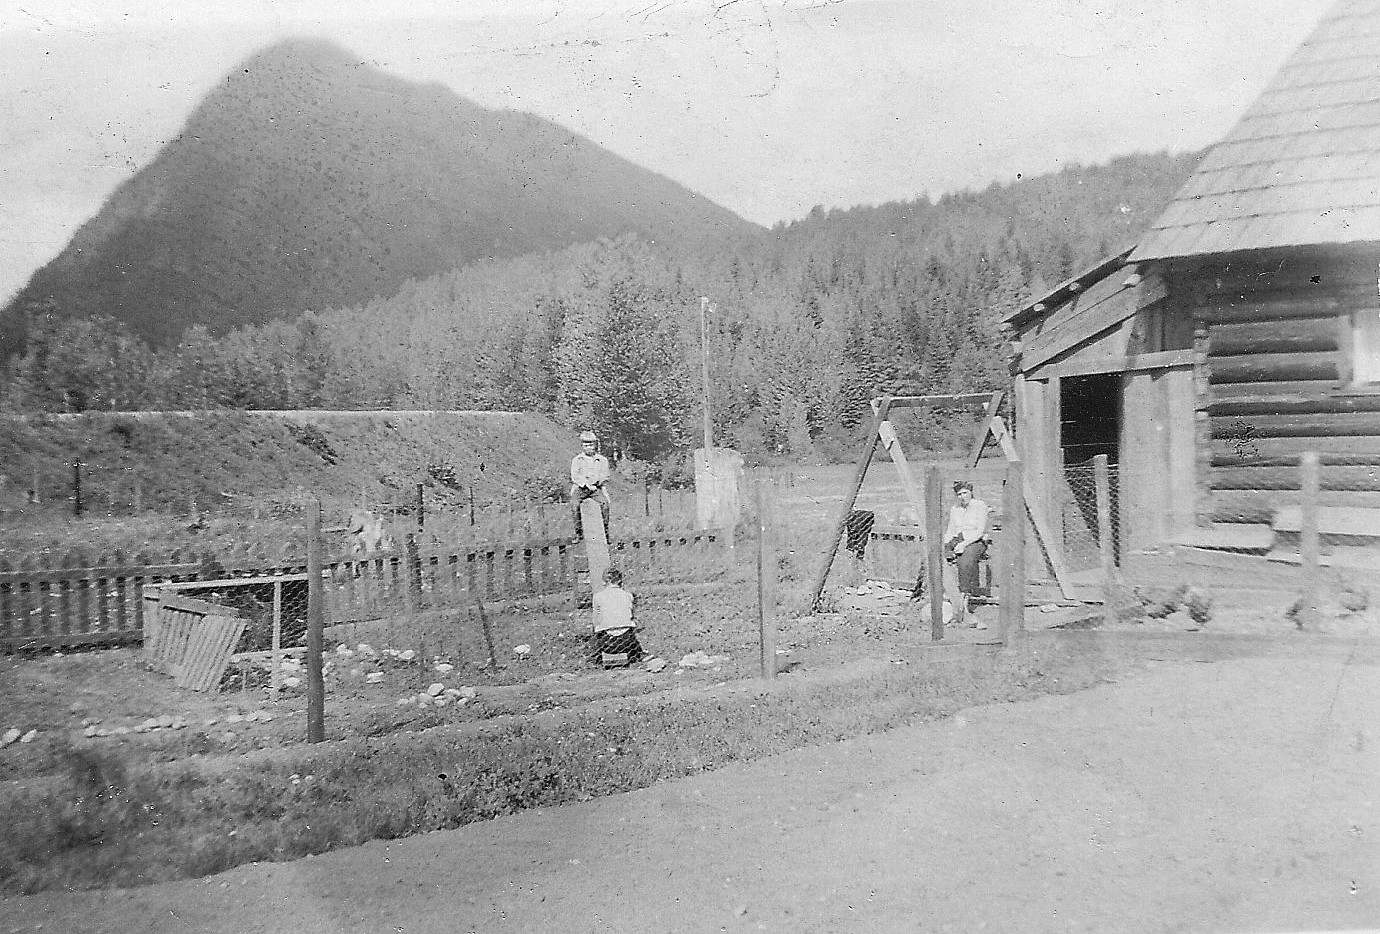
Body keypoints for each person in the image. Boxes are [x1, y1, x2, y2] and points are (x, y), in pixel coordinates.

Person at [945, 480, 991, 603]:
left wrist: (963, 544)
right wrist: (945, 545)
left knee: (964, 559)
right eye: (959, 494)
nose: (962, 497)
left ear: (971, 492)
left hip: (976, 540)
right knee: (937, 555)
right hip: (959, 538)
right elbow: (951, 530)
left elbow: (980, 532)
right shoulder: (955, 508)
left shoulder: (979, 506)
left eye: (965, 493)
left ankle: (964, 593)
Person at [591, 566, 643, 664]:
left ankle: (598, 655)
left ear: (605, 581)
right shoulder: (628, 595)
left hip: (607, 641)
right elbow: (632, 616)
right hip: (626, 639)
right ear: (620, 581)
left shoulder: (598, 597)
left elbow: (595, 621)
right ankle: (636, 654)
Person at [570, 429, 611, 541]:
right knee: (574, 505)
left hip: (596, 489)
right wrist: (585, 484)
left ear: (595, 445)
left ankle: (605, 533)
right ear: (582, 445)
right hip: (581, 488)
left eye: (590, 444)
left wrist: (596, 483)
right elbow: (575, 476)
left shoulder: (602, 460)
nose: (588, 447)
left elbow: (605, 475)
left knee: (605, 504)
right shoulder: (577, 460)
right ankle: (578, 533)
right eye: (585, 444)